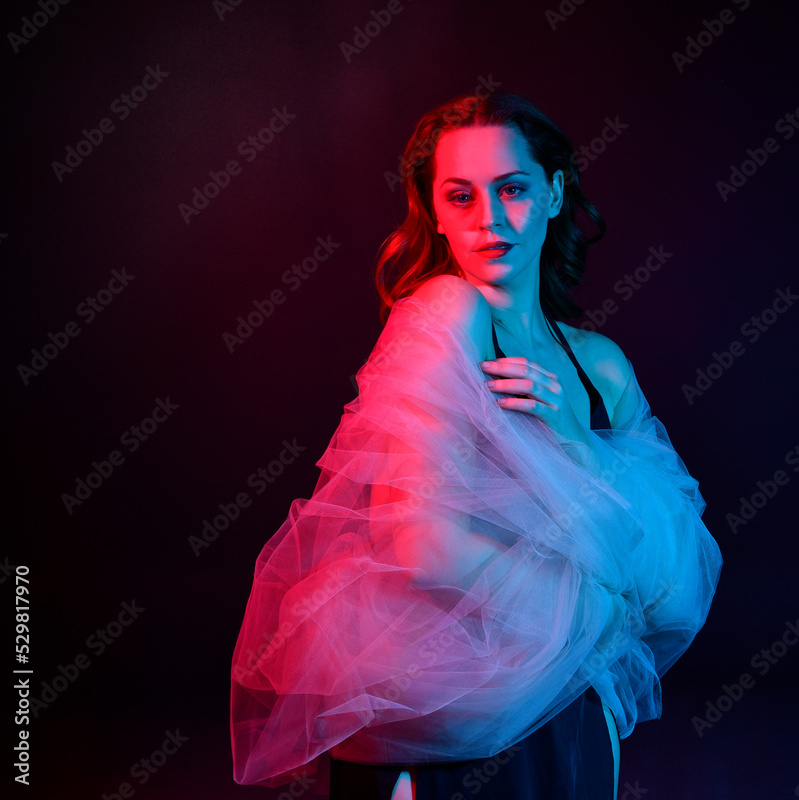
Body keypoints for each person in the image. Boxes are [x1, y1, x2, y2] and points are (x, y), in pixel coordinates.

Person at [230, 92, 722, 800]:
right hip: (450, 711)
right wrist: (593, 616)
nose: (490, 219)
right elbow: (422, 545)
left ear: (554, 194)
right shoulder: (445, 313)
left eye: (513, 189)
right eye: (461, 197)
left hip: (567, 709)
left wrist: (575, 440)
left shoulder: (599, 364)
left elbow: (668, 580)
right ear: (434, 212)